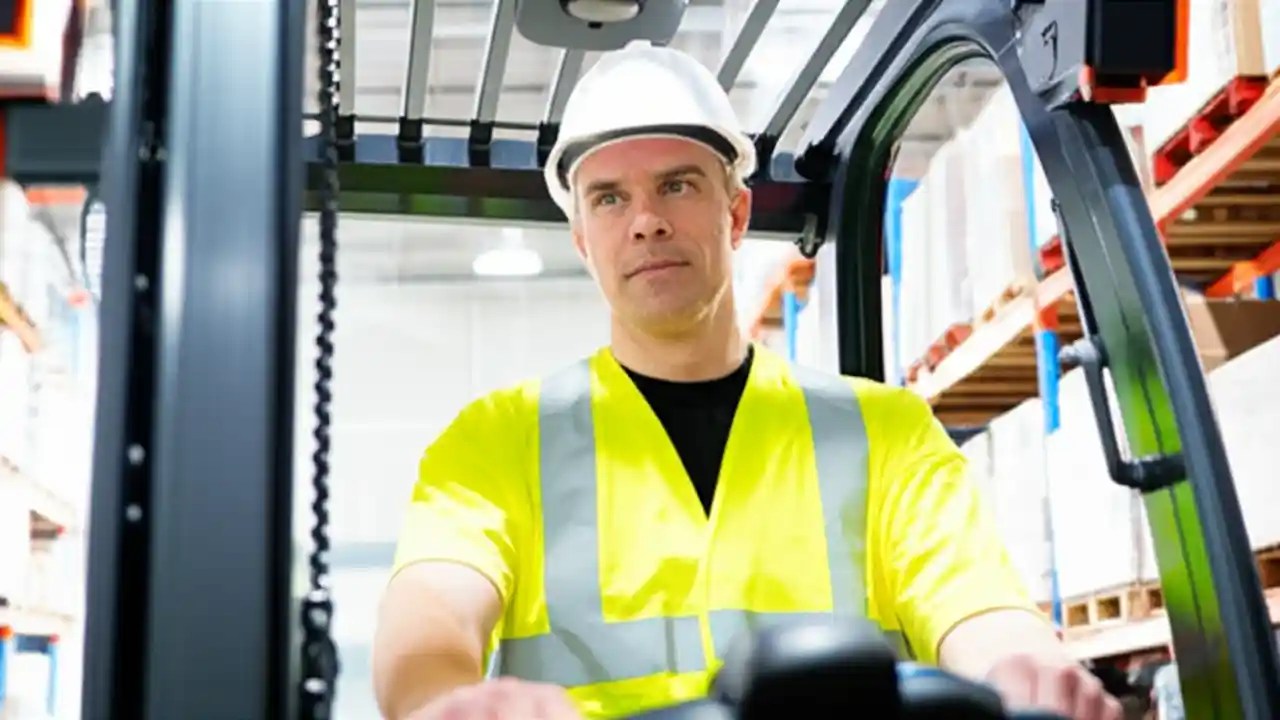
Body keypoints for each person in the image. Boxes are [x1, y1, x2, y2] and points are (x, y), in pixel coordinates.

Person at [370, 40, 1122, 720]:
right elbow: (429, 618)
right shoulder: (497, 442)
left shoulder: (886, 433)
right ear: (582, 240)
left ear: (736, 214)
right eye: (609, 198)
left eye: (677, 186)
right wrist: (451, 701)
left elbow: (978, 606)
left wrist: (1024, 668)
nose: (645, 222)